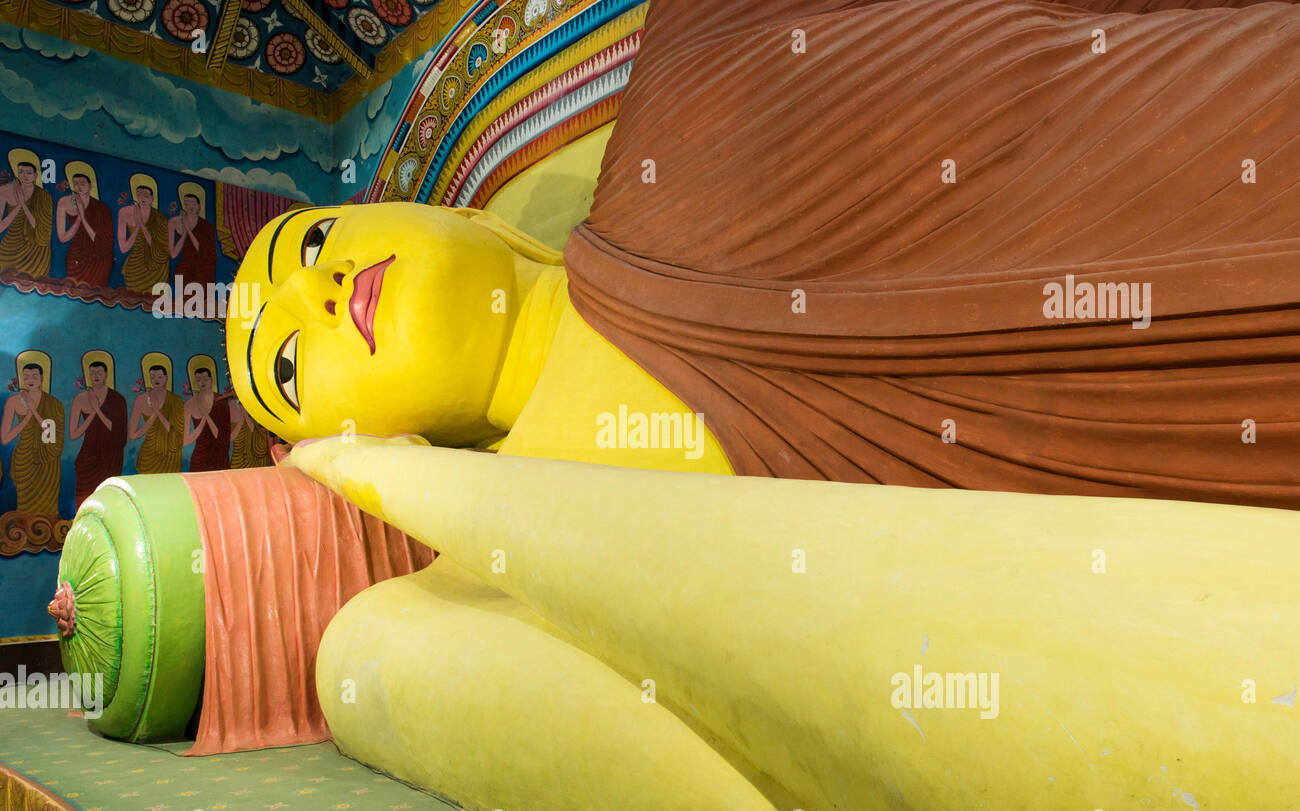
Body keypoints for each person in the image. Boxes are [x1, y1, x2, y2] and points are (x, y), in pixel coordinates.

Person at [226, 0, 1300, 511]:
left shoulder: (692, 67)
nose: (316, 295)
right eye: (286, 366)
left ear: (456, 215)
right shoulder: (536, 538)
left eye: (310, 241)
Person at [1, 362, 64, 515]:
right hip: (24, 460)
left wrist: (33, 410)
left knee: (47, 510)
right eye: (26, 376)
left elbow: (51, 435)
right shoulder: (13, 401)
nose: (30, 379)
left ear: (42, 378)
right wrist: (27, 416)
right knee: (24, 510)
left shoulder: (54, 404)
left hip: (48, 462)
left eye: (35, 376)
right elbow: (5, 438)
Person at [69, 359, 127, 508]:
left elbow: (118, 433)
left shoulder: (118, 399)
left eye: (99, 373)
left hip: (110, 456)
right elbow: (73, 434)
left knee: (108, 498)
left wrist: (97, 409)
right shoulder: (80, 399)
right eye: (92, 373)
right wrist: (92, 414)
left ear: (106, 374)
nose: (96, 376)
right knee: (85, 497)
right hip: (89, 454)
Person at [58, 165, 114, 287]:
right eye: (75, 183)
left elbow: (104, 242)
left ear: (90, 185)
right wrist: (79, 215)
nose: (79, 187)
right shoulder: (64, 202)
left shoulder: (102, 209)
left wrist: (83, 217)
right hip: (77, 256)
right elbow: (63, 238)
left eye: (82, 183)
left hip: (99, 257)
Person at [0, 157, 52, 278]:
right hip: (11, 244)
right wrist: (18, 206)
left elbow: (40, 228)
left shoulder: (44, 196)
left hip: (35, 247)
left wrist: (23, 203)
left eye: (29, 173)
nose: (25, 176)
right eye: (21, 172)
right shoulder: (5, 191)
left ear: (35, 175)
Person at [129, 364, 184, 473]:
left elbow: (178, 436)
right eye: (152, 376)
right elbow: (133, 435)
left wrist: (158, 412)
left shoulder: (176, 401)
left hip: (171, 457)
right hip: (148, 455)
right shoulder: (141, 399)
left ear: (166, 377)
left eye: (159, 376)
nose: (156, 380)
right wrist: (154, 415)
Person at [118, 179, 169, 294]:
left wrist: (142, 226)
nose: (142, 198)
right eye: (139, 195)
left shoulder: (160, 218)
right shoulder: (124, 212)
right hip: (136, 263)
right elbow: (123, 248)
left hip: (156, 263)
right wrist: (137, 228)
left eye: (146, 196)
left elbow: (163, 251)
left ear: (152, 198)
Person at [169, 185, 216, 294]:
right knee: (179, 275)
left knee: (205, 274)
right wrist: (185, 231)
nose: (190, 207)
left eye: (193, 204)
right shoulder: (175, 222)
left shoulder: (206, 226)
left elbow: (202, 250)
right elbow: (173, 254)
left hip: (202, 265)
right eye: (187, 204)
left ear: (199, 206)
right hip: (186, 265)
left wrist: (189, 231)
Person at [183, 365, 230, 471]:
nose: (202, 382)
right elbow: (186, 441)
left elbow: (221, 436)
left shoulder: (221, 401)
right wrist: (202, 420)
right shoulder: (190, 404)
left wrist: (206, 415)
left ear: (211, 380)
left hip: (219, 456)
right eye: (198, 380)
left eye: (205, 379)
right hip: (199, 458)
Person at [229, 397, 271, 469]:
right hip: (238, 460)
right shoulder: (232, 424)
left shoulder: (251, 421)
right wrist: (241, 420)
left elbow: (253, 432)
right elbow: (232, 437)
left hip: (253, 460)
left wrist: (245, 415)